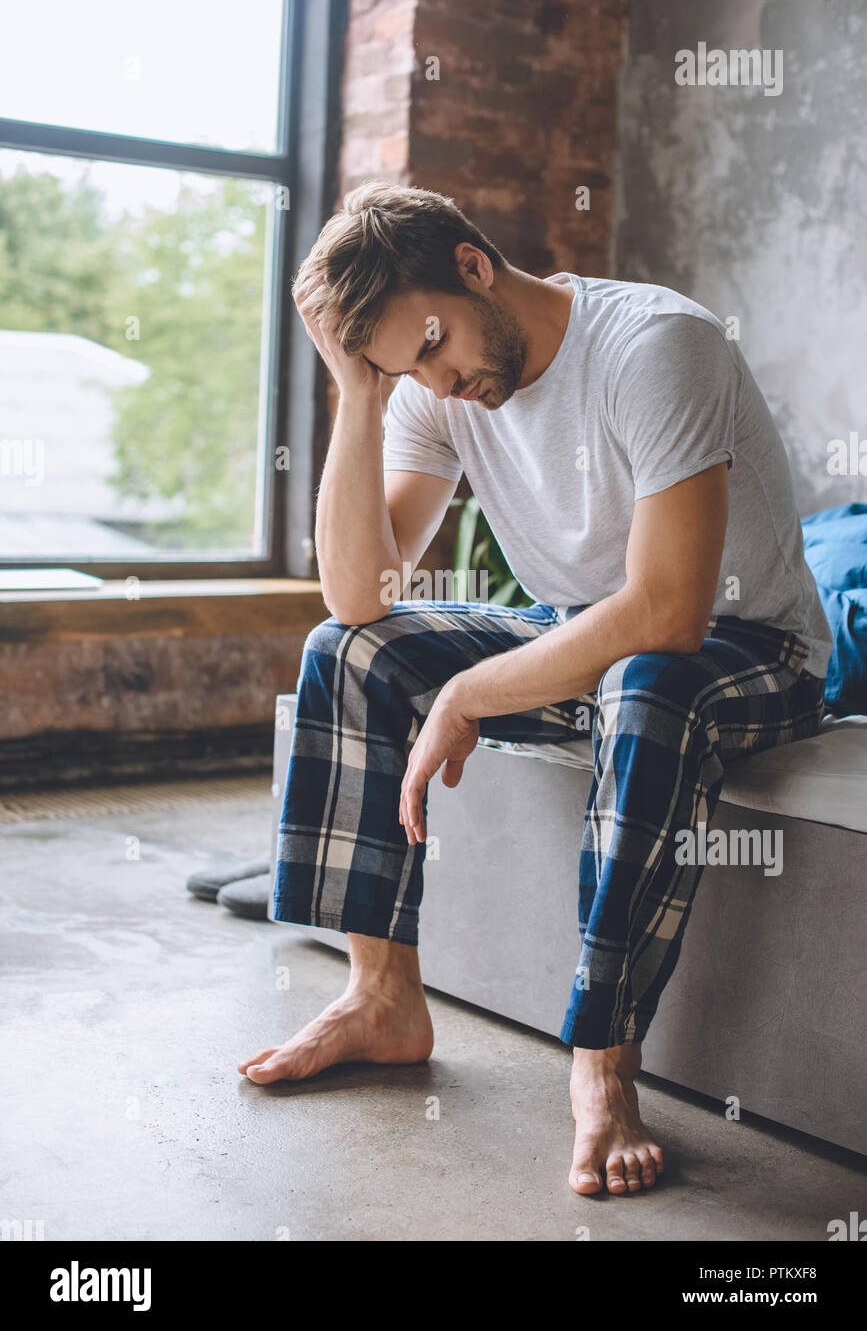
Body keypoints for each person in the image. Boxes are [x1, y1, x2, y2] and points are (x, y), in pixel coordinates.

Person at [238, 181, 831, 1197]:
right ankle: (383, 998)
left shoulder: (655, 345)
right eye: (403, 366)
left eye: (430, 347)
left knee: (649, 684)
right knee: (348, 649)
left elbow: (668, 613)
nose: (437, 378)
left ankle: (603, 1063)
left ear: (473, 264)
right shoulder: (429, 386)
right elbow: (362, 595)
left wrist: (469, 696)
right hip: (583, 633)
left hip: (753, 647)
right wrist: (362, 392)